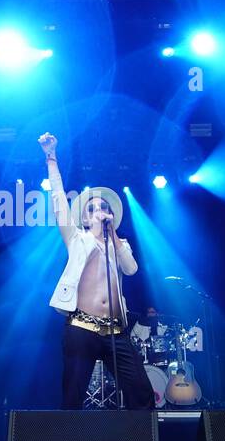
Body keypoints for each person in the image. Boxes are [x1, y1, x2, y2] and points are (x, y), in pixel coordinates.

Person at [39, 132, 155, 409]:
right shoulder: (76, 238)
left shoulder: (118, 242)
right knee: (73, 399)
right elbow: (58, 201)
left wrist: (114, 236)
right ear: (85, 216)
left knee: (142, 394)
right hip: (81, 326)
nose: (100, 210)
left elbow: (131, 269)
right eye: (94, 208)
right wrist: (51, 158)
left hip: (116, 331)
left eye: (104, 207)